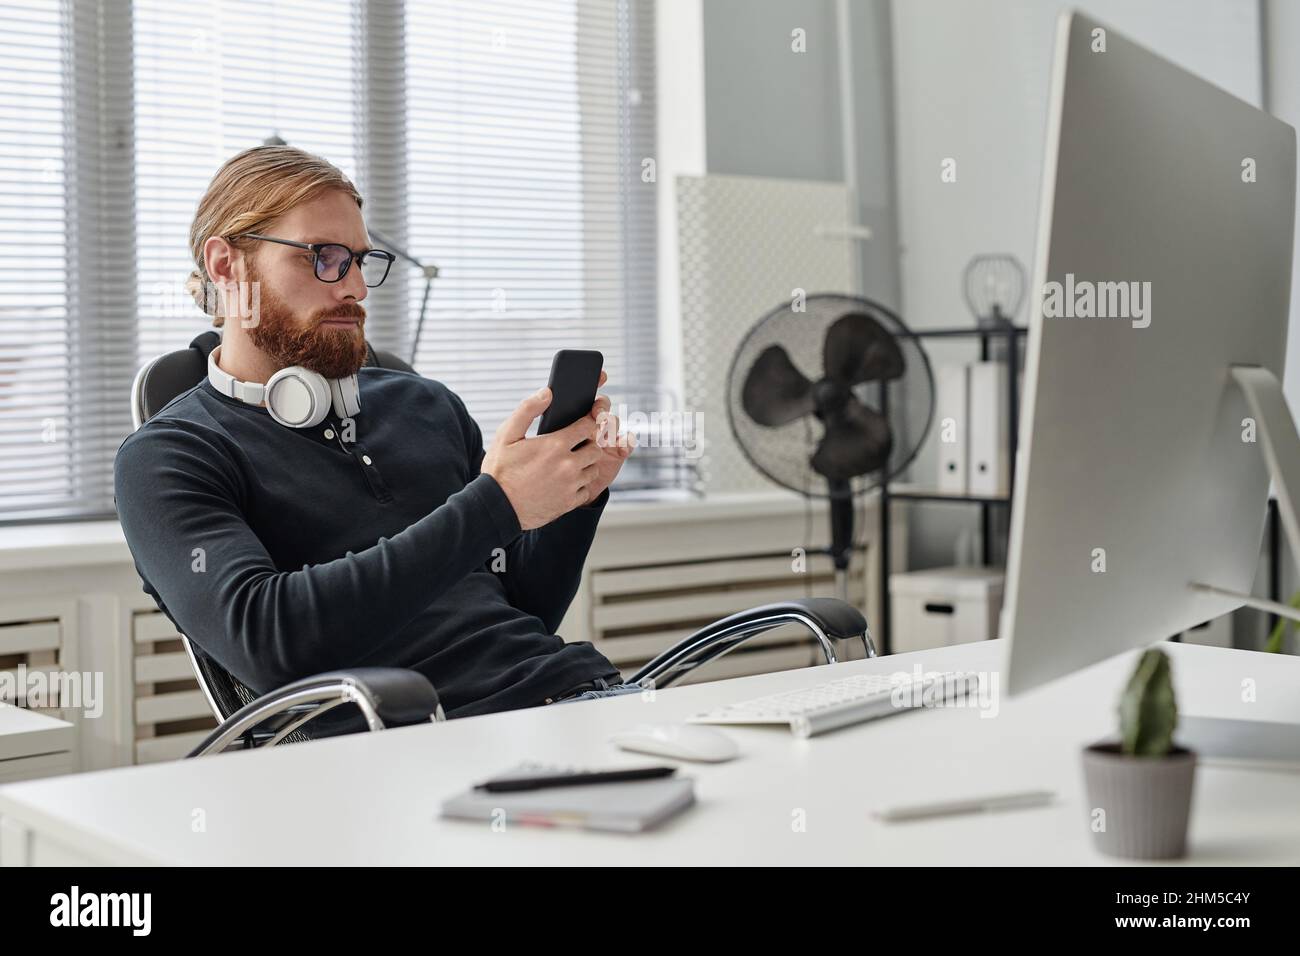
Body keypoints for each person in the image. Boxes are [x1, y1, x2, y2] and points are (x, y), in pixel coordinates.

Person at [113, 145, 643, 733]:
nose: (357, 288)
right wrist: (498, 504)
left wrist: (571, 498)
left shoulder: (428, 406)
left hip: (582, 699)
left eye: (362, 261)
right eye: (325, 258)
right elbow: (268, 640)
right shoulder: (170, 456)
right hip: (433, 749)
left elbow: (524, 612)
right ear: (225, 266)